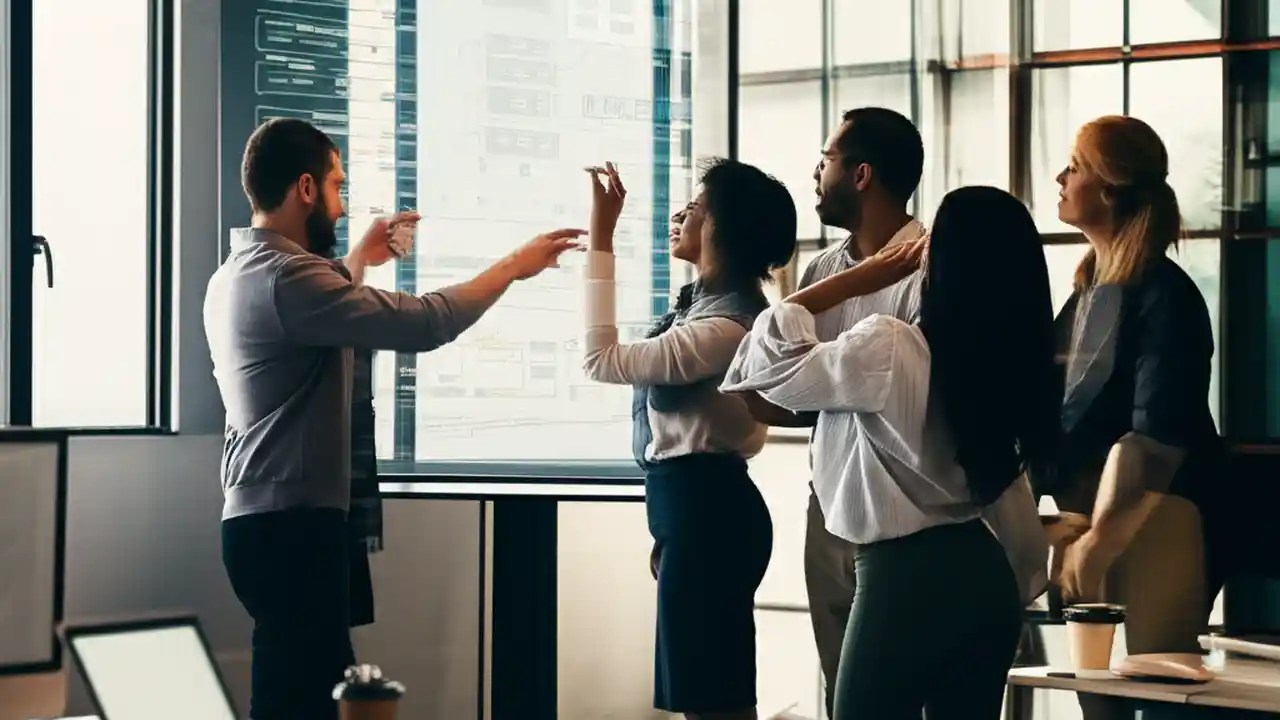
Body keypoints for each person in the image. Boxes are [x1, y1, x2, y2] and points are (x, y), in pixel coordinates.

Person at [204, 118, 583, 720]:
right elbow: (427, 321)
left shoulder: (237, 274)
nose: (342, 201)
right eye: (336, 185)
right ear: (305, 189)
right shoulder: (288, 277)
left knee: (295, 693)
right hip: (293, 530)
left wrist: (359, 260)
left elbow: (319, 318)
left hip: (264, 524)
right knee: (307, 701)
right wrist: (514, 264)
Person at [723, 185, 1059, 719]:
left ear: (939, 257)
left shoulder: (891, 346)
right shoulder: (1004, 365)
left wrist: (860, 277)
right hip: (982, 573)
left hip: (901, 579)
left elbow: (766, 361)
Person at [580, 159, 796, 719]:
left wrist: (601, 235)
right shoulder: (702, 309)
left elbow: (602, 361)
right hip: (695, 511)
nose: (679, 215)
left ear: (724, 227)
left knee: (711, 700)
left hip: (708, 512)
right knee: (709, 692)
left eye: (695, 207)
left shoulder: (726, 329)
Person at [734, 106, 927, 715]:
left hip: (903, 510)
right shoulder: (823, 269)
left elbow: (916, 395)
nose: (816, 173)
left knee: (898, 687)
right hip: (830, 498)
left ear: (862, 173)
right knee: (840, 676)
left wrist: (805, 387)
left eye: (826, 160)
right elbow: (776, 385)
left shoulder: (928, 265)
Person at [1043, 115, 1222, 720]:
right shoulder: (1085, 294)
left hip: (1158, 519)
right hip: (1089, 518)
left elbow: (1158, 439)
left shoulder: (1166, 296)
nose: (1061, 177)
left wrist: (1096, 544)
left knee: (1158, 695)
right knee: (1097, 702)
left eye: (1076, 165)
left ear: (1111, 187)